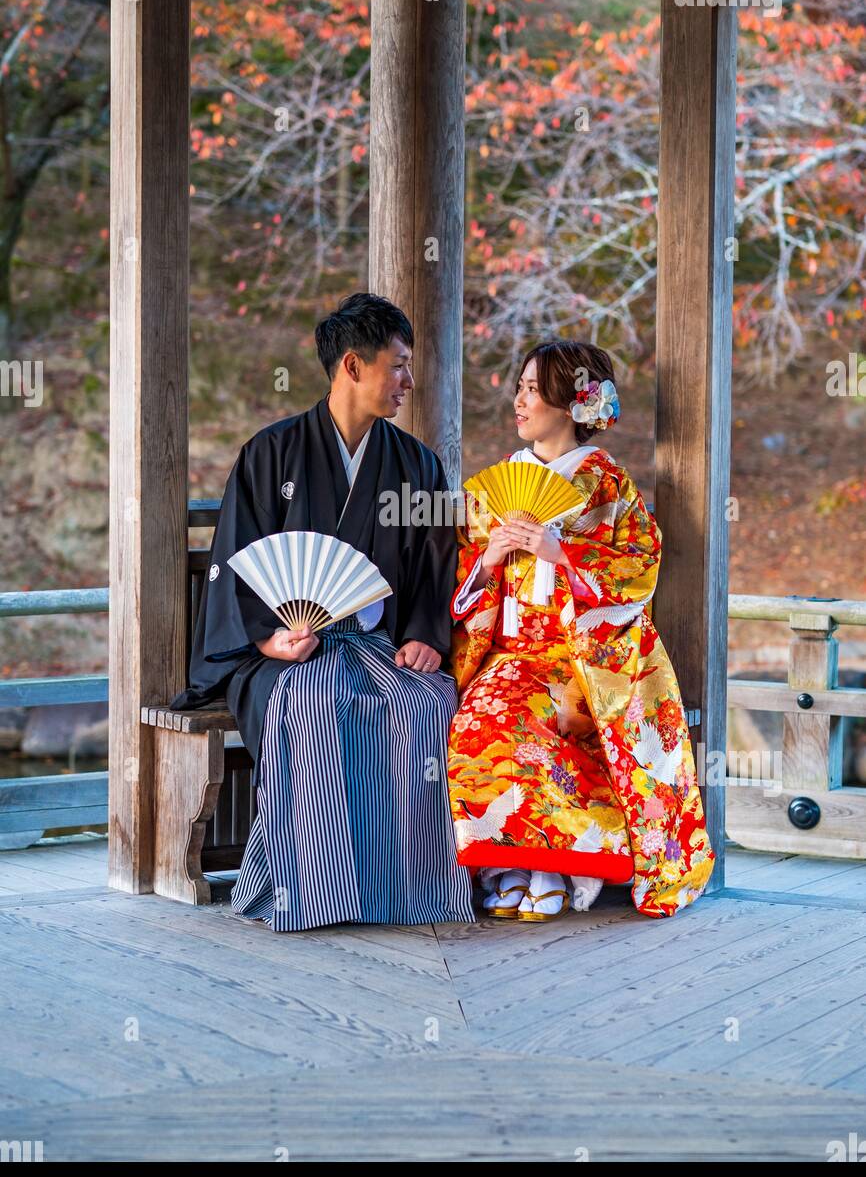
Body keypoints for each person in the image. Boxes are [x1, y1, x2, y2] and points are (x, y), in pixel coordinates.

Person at [170, 293, 474, 931]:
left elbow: (434, 566)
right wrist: (268, 638)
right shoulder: (270, 454)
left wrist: (425, 634)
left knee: (432, 702)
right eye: (397, 365)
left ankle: (409, 889)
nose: (408, 381)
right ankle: (313, 891)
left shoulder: (417, 465)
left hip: (372, 645)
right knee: (311, 702)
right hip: (282, 652)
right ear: (353, 368)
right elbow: (236, 563)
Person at [447, 340, 715, 921]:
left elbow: (639, 566)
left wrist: (561, 552)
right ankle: (510, 866)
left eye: (533, 390)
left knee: (536, 721)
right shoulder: (491, 489)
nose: (519, 401)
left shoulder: (606, 482)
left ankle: (553, 867)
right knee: (481, 721)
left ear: (572, 402)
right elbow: (466, 580)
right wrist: (489, 560)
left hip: (585, 657)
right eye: (518, 387)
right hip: (511, 650)